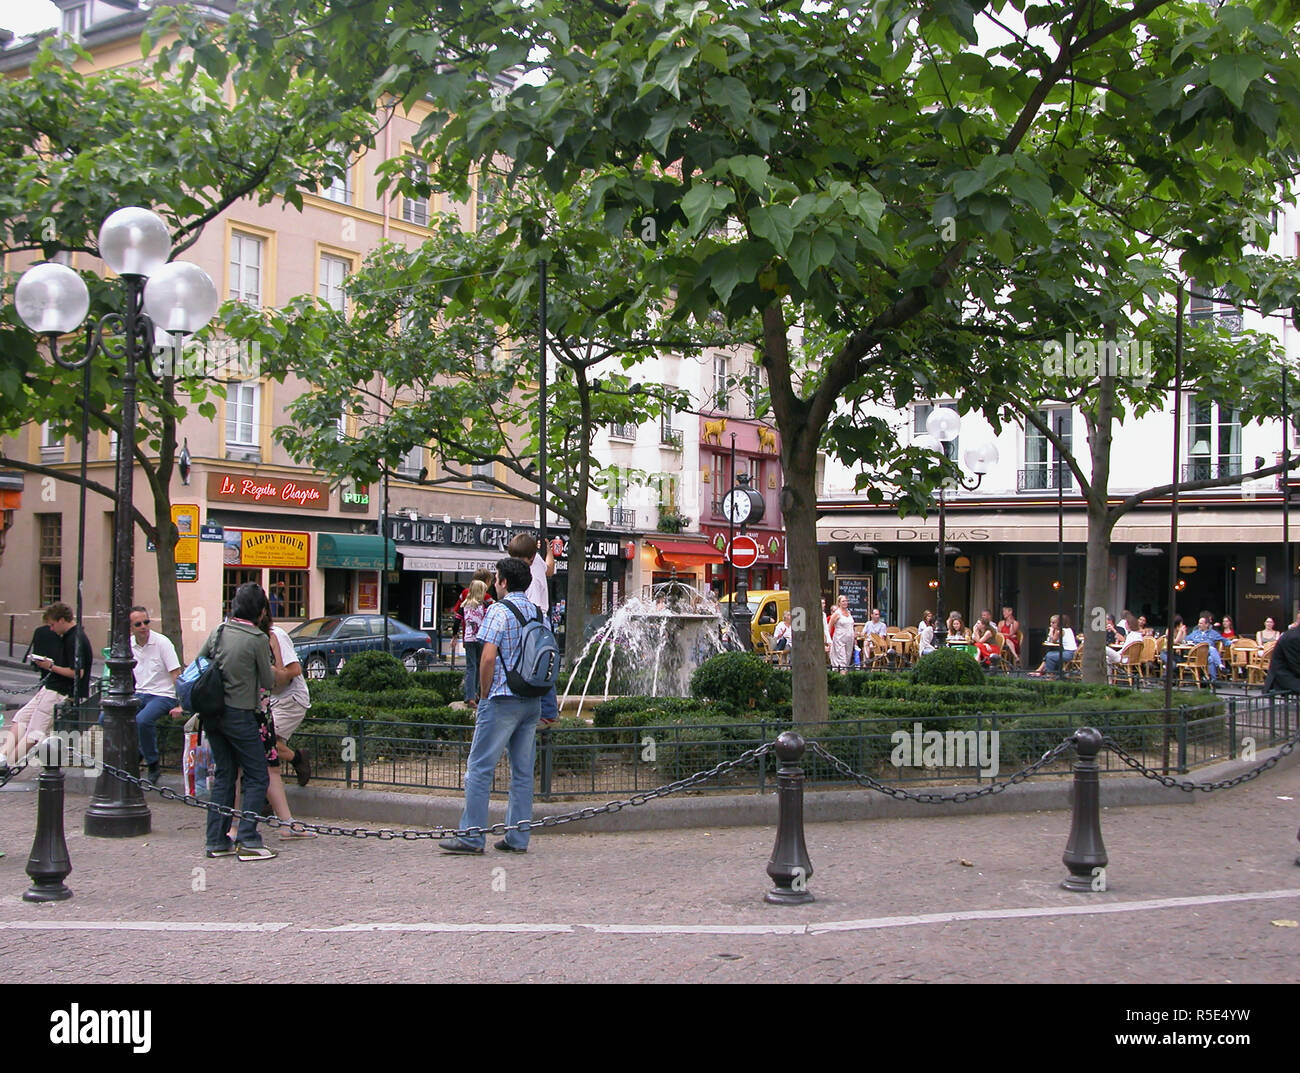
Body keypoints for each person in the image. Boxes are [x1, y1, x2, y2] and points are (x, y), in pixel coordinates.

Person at [439, 556, 544, 854]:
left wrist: (484, 695)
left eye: (496, 578)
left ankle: (471, 836)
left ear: (504, 582)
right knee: (523, 772)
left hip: (501, 699)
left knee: (479, 767)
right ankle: (518, 837)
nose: (494, 583)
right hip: (531, 699)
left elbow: (486, 657)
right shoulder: (538, 612)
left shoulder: (499, 611)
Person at [199, 582, 276, 862]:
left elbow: (199, 663)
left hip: (213, 714)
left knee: (225, 775)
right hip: (240, 713)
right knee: (257, 775)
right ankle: (248, 839)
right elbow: (268, 681)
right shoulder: (256, 638)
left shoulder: (219, 631)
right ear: (259, 611)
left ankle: (216, 840)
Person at [0, 603, 92, 771]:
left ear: (62, 620)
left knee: (35, 730)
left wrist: (50, 666)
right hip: (51, 687)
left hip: (60, 691)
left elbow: (77, 672)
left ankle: (9, 763)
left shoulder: (75, 639)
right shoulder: (68, 637)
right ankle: (3, 756)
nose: (51, 629)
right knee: (21, 717)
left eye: (52, 624)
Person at [507, 531, 558, 725]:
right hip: (540, 620)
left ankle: (546, 712)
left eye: (519, 558)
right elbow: (550, 569)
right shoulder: (535, 562)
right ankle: (547, 711)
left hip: (533, 620)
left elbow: (531, 605)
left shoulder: (528, 576)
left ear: (529, 557)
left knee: (536, 663)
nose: (516, 562)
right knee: (541, 663)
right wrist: (549, 551)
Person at [129, 606, 181, 783]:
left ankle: (152, 763)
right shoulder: (128, 645)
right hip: (140, 693)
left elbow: (176, 673)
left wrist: (180, 703)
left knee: (142, 720)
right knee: (106, 717)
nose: (143, 626)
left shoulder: (162, 643)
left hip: (163, 695)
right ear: (131, 627)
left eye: (146, 622)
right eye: (138, 624)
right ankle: (134, 753)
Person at [268, 615, 311, 788]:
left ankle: (298, 759)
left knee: (265, 742)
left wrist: (273, 672)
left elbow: (294, 669)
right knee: (266, 747)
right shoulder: (253, 638)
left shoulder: (276, 636)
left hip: (290, 698)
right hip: (272, 698)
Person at [460, 579, 490, 706]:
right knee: (479, 666)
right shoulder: (482, 606)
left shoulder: (465, 605)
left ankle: (470, 695)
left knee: (470, 667)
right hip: (480, 638)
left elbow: (459, 620)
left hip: (468, 638)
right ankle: (476, 694)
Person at [1185, 612, 1225, 681]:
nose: (1198, 625)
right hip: (1197, 655)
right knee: (1211, 647)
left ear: (1206, 624)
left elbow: (1224, 640)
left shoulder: (1213, 633)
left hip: (1208, 655)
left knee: (1211, 659)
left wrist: (1232, 642)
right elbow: (1186, 639)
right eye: (1198, 623)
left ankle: (1213, 680)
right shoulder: (1195, 632)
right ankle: (1220, 665)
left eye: (1200, 623)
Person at [828, 595, 856, 673]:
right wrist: (828, 641)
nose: (845, 602)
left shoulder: (849, 613)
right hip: (840, 639)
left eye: (846, 601)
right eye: (843, 601)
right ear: (839, 603)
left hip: (849, 640)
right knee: (842, 660)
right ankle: (842, 678)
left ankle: (843, 676)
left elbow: (852, 626)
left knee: (847, 660)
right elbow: (829, 627)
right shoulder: (837, 614)